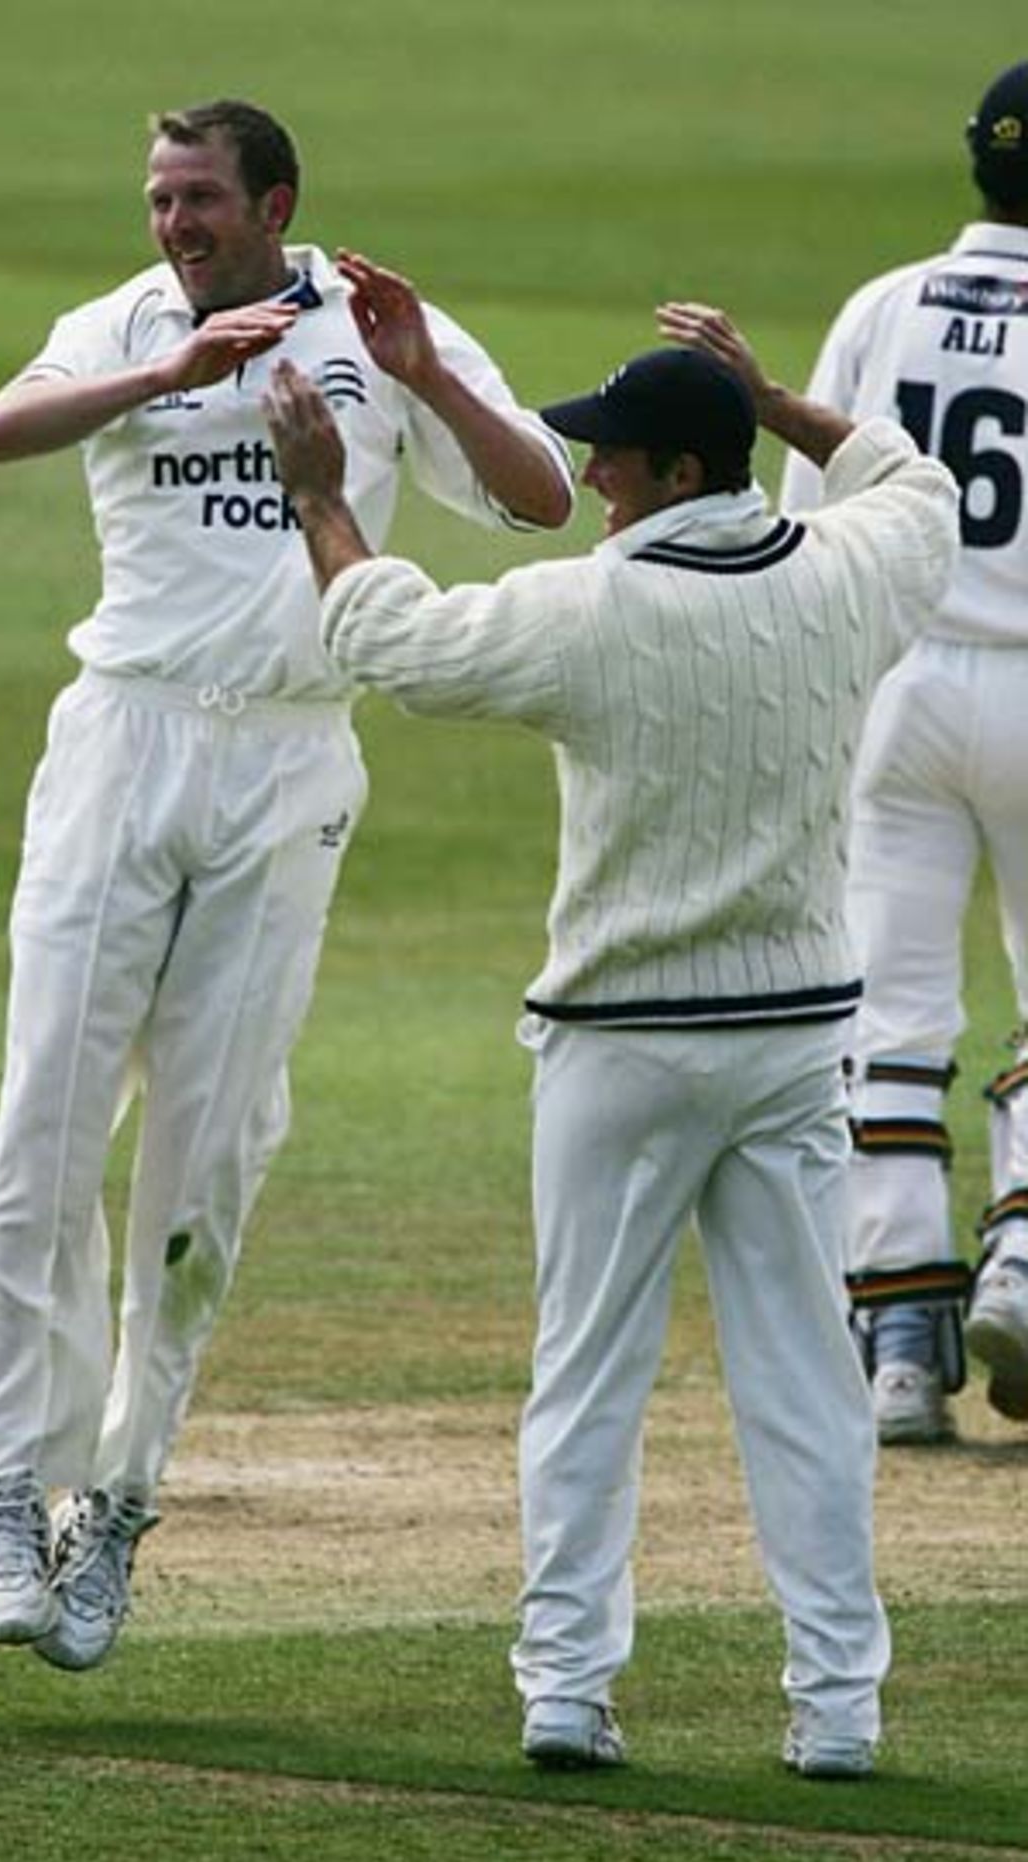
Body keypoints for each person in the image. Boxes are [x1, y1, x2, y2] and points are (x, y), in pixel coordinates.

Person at [263, 306, 958, 1775]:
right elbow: (916, 483)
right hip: (791, 1042)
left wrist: (323, 499)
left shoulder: (591, 607)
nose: (590, 478)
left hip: (621, 1041)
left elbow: (393, 640)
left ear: (679, 472)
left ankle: (568, 1690)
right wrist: (778, 398)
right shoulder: (847, 576)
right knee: (806, 1385)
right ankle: (839, 1709)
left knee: (587, 1375)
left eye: (615, 457)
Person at [0, 96, 573, 1671]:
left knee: (209, 1159)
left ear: (277, 204)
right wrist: (163, 374)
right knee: (46, 1120)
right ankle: (4, 1488)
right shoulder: (123, 322)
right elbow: (0, 429)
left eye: (203, 200)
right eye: (161, 199)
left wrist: (429, 374)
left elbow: (544, 498)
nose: (176, 225)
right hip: (127, 739)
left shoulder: (374, 326)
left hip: (291, 760)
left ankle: (118, 1503)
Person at [781, 61, 1028, 1445]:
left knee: (891, 1010)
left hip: (899, 684)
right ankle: (1024, 1261)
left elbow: (809, 518)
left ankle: (898, 1344)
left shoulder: (884, 307)